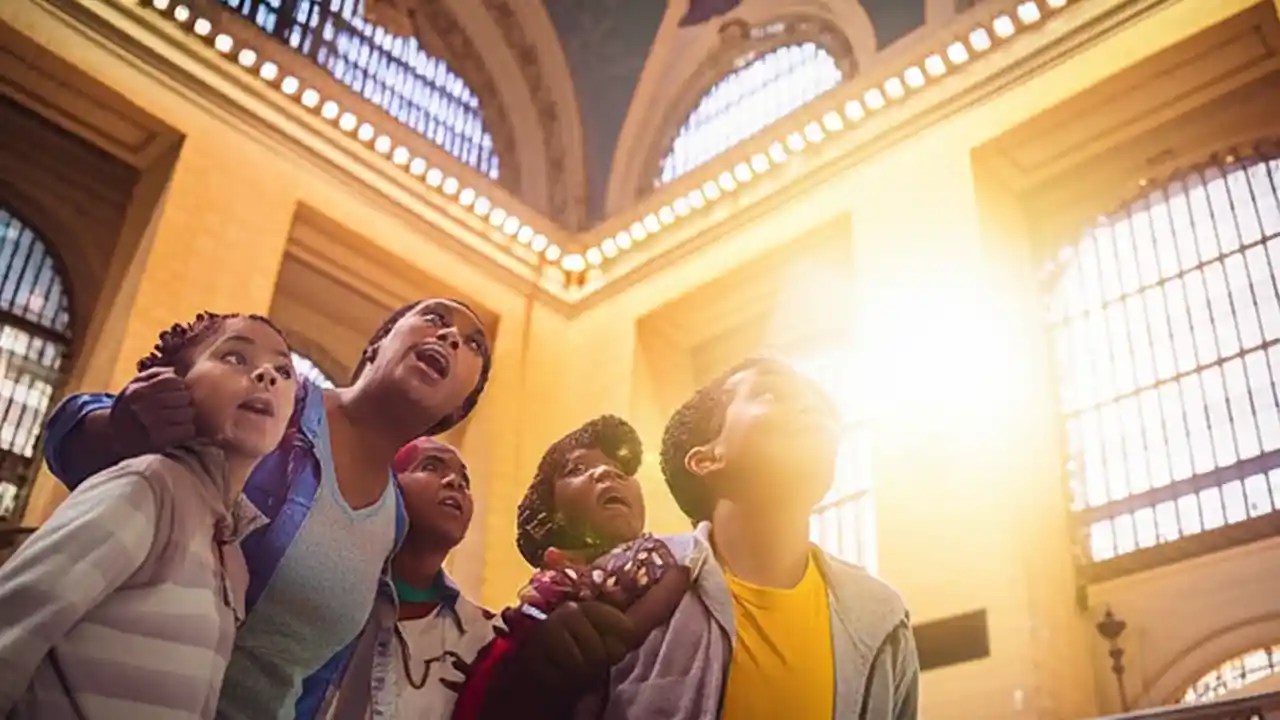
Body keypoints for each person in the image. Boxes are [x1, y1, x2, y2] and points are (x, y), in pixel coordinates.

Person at [38, 298, 492, 719]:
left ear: (461, 407)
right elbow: (71, 429)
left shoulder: (393, 520)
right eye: (434, 319)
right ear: (378, 343)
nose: (450, 337)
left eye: (472, 342)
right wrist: (118, 428)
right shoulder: (276, 396)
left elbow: (311, 679)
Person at [486, 357, 920, 719]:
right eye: (772, 393)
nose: (813, 411)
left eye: (822, 409)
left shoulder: (881, 619)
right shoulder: (634, 581)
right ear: (707, 458)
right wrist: (527, 677)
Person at [0, 312, 298, 718]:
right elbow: (12, 627)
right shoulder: (147, 489)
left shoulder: (232, 556)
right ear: (170, 384)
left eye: (284, 369)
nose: (267, 375)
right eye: (234, 358)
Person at [451, 416, 689, 720]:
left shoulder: (681, 562)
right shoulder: (526, 630)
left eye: (621, 469)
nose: (608, 472)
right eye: (577, 469)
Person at [325, 437, 501, 719]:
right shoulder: (321, 593)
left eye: (465, 481)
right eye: (430, 466)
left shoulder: (483, 637)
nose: (455, 482)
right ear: (386, 485)